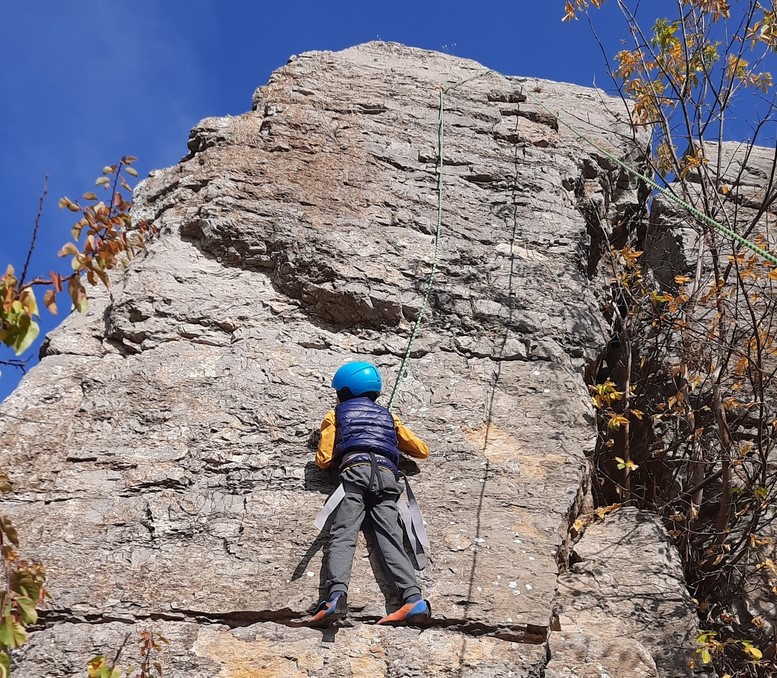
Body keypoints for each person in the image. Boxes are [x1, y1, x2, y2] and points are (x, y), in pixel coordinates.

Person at [310, 360, 431, 626]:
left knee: (343, 535)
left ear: (343, 390)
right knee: (391, 539)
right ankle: (413, 599)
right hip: (388, 478)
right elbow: (421, 450)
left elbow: (324, 459)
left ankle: (336, 597)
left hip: (355, 474)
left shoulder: (335, 415)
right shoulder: (389, 416)